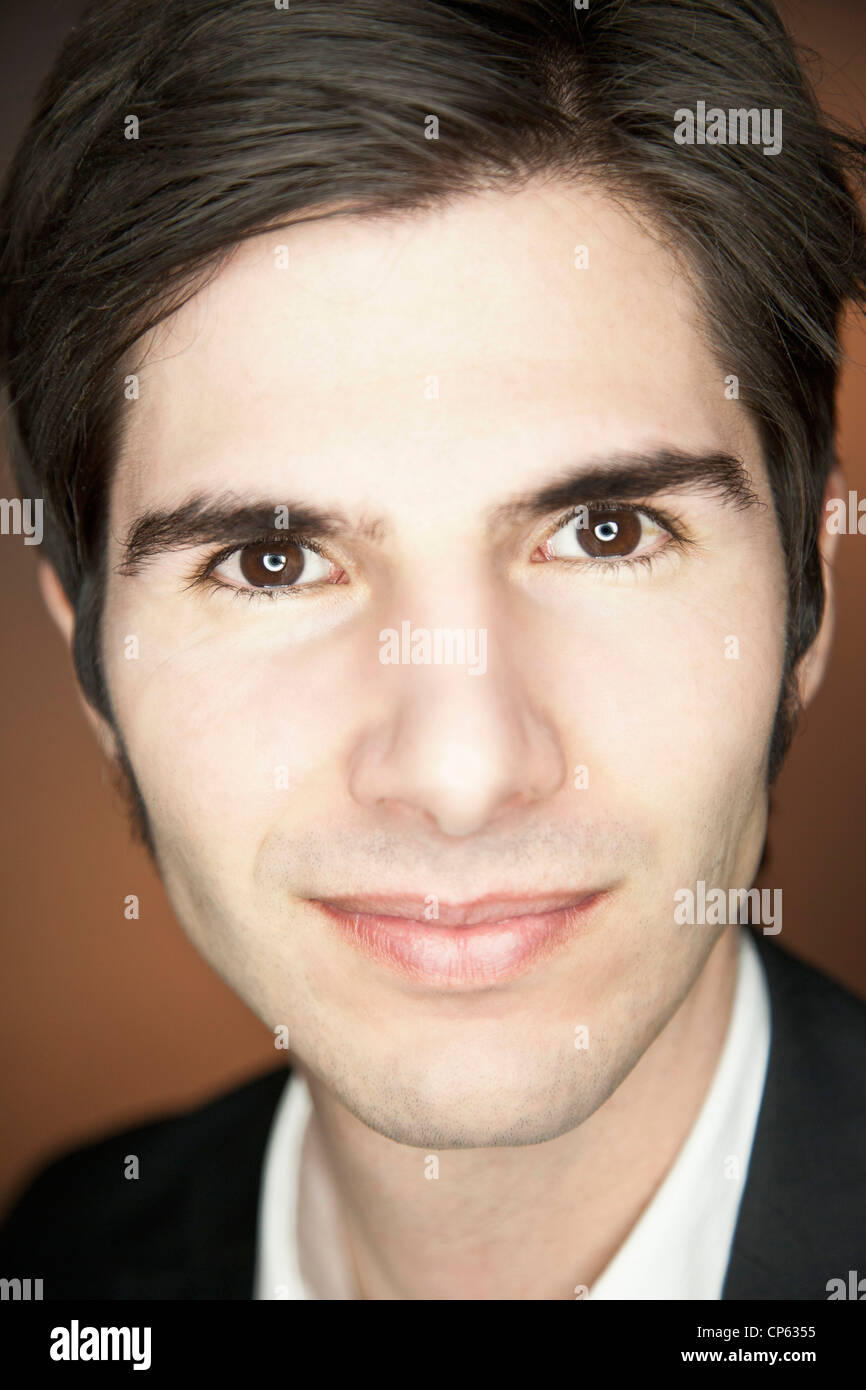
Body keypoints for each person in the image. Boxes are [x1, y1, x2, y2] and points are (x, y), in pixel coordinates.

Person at [1, 0, 864, 1301]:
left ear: (805, 594)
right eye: (271, 560)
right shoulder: (66, 1261)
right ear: (93, 670)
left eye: (605, 530)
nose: (459, 773)